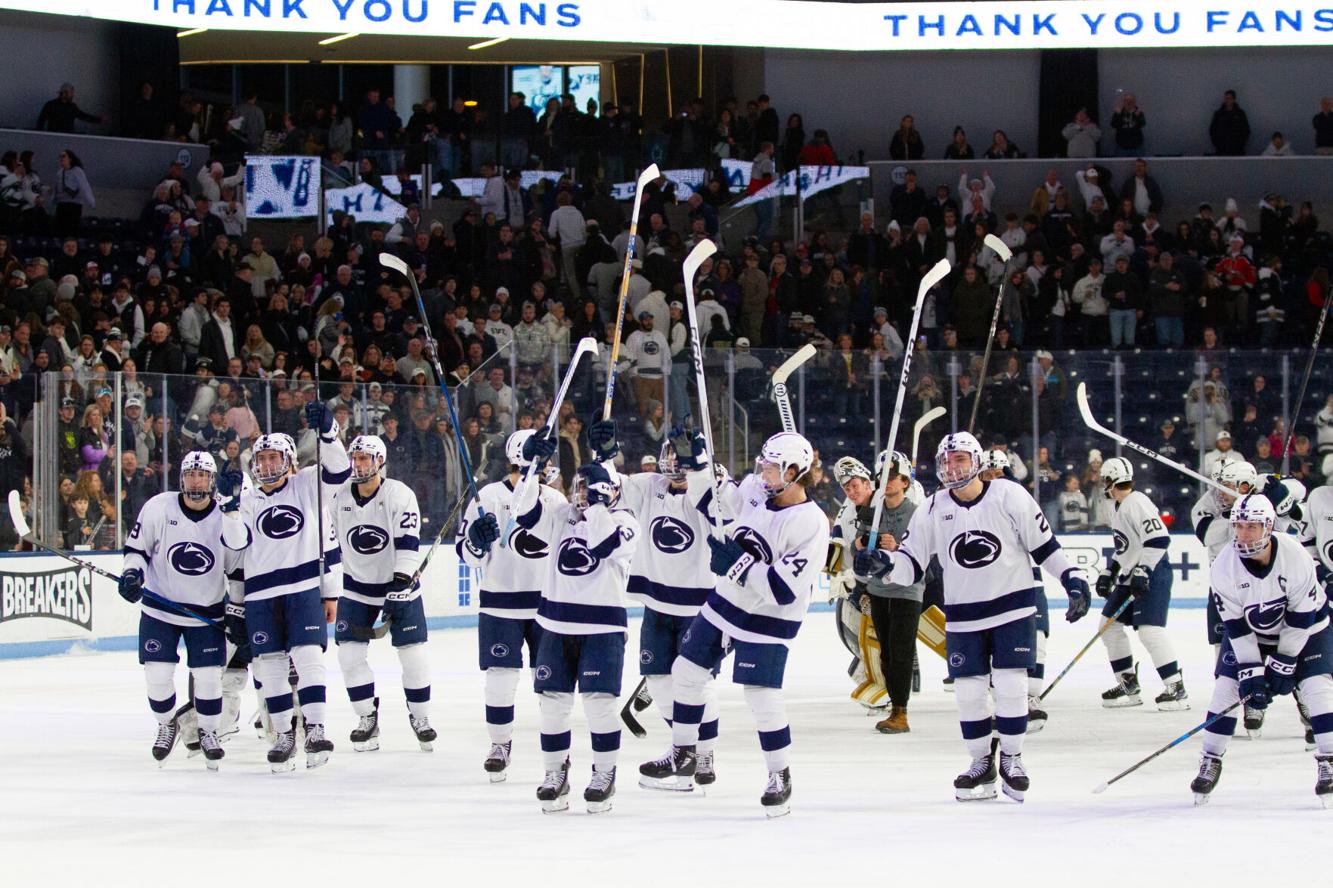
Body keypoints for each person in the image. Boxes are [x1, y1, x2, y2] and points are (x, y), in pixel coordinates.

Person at [859, 432, 1091, 803]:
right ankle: (981, 761)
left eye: (960, 459)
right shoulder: (932, 508)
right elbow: (911, 564)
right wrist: (883, 564)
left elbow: (1045, 547)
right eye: (947, 461)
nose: (953, 468)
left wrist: (1072, 578)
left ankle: (1012, 758)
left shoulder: (1010, 495)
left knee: (1011, 686)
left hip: (1012, 609)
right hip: (964, 615)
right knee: (968, 692)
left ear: (977, 461)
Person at [649, 431, 829, 817]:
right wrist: (697, 466)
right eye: (764, 464)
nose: (764, 473)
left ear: (794, 472)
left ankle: (779, 774)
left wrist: (738, 564)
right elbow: (708, 502)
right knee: (686, 672)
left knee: (760, 695)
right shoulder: (752, 490)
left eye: (772, 467)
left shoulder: (811, 523)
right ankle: (683, 751)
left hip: (771, 617)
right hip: (727, 601)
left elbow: (781, 589)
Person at [498, 425, 639, 814]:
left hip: (602, 630)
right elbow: (523, 511)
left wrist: (597, 506)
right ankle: (554, 773)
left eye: (588, 488)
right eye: (579, 487)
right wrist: (532, 467)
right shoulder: (561, 514)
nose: (580, 494)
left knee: (599, 705)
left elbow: (604, 545)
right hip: (555, 626)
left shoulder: (626, 521)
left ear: (609, 492)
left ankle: (604, 774)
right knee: (553, 705)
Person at [598, 431, 722, 789]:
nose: (673, 463)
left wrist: (702, 471)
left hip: (700, 607)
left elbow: (725, 509)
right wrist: (604, 454)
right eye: (670, 455)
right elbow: (609, 486)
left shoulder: (710, 489)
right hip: (656, 604)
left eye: (681, 457)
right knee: (658, 680)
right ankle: (685, 749)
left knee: (696, 683)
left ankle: (703, 754)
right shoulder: (649, 485)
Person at [1192, 495, 1333, 807]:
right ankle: (1210, 758)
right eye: (1239, 526)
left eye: (1252, 527)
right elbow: (1236, 627)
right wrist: (1252, 673)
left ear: (1269, 527)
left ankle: (1330, 759)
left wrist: (1283, 663)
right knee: (1227, 688)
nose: (1243, 534)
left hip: (1309, 629)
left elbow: (1301, 618)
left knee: (1316, 687)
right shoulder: (1223, 566)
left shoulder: (1295, 556)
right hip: (1254, 634)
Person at [232, 405, 351, 772]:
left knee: (308, 657)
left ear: (288, 460)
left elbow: (340, 470)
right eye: (261, 457)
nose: (267, 464)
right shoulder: (247, 500)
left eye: (273, 457)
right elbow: (234, 544)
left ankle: (315, 728)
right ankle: (284, 733)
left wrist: (329, 432)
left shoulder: (306, 485)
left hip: (302, 587)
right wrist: (227, 508)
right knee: (270, 665)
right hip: (260, 594)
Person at [119, 451, 248, 768]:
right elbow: (137, 550)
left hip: (206, 614)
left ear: (212, 480)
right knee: (157, 675)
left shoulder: (225, 517)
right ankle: (167, 725)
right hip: (160, 610)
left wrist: (236, 608)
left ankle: (208, 731)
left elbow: (237, 568)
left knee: (208, 678)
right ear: (181, 479)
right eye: (190, 474)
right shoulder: (159, 507)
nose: (196, 481)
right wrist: (132, 574)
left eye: (202, 475)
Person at [456, 429, 566, 782]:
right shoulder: (488, 496)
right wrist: (476, 542)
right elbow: (468, 556)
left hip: (546, 607)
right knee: (500, 679)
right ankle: (500, 745)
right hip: (500, 605)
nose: (545, 464)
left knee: (550, 685)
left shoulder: (553, 499)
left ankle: (557, 754)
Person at [331, 436, 434, 752]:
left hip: (398, 587)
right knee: (349, 656)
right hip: (357, 588)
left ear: (380, 461)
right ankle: (367, 717)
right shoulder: (339, 496)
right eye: (355, 458)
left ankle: (420, 717)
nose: (359, 464)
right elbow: (333, 545)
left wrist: (401, 583)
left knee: (413, 655)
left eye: (365, 458)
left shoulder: (399, 494)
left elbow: (408, 544)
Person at [837, 451, 923, 734]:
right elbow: (855, 549)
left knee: (901, 652)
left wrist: (898, 548)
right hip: (877, 590)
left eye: (893, 477)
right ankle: (895, 706)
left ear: (905, 482)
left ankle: (901, 712)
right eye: (882, 477)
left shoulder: (917, 514)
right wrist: (861, 544)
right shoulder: (871, 513)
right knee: (886, 653)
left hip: (907, 591)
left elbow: (926, 553)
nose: (886, 482)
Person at [1093, 458, 1189, 711]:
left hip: (1153, 572)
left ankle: (1176, 687)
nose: (1103, 484)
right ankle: (1128, 683)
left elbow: (1159, 539)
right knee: (1108, 626)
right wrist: (1110, 571)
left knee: (1149, 631)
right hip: (1131, 575)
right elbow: (1126, 547)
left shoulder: (1137, 502)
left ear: (1111, 480)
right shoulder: (1117, 505)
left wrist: (1143, 570)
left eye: (1105, 480)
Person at [978, 449, 1052, 731]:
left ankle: (1031, 698)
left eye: (999, 474)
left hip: (1027, 580)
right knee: (994, 647)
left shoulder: (1021, 501)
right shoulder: (973, 507)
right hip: (990, 586)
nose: (994, 480)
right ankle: (1005, 703)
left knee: (1036, 638)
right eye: (987, 475)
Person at [1210, 90, 1251, 156]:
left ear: (1234, 100)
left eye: (1229, 98)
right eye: (1226, 98)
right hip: (1222, 150)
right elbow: (1212, 130)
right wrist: (1218, 144)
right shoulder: (1218, 114)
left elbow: (1246, 130)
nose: (1227, 100)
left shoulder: (1240, 114)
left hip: (1237, 150)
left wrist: (1240, 144)